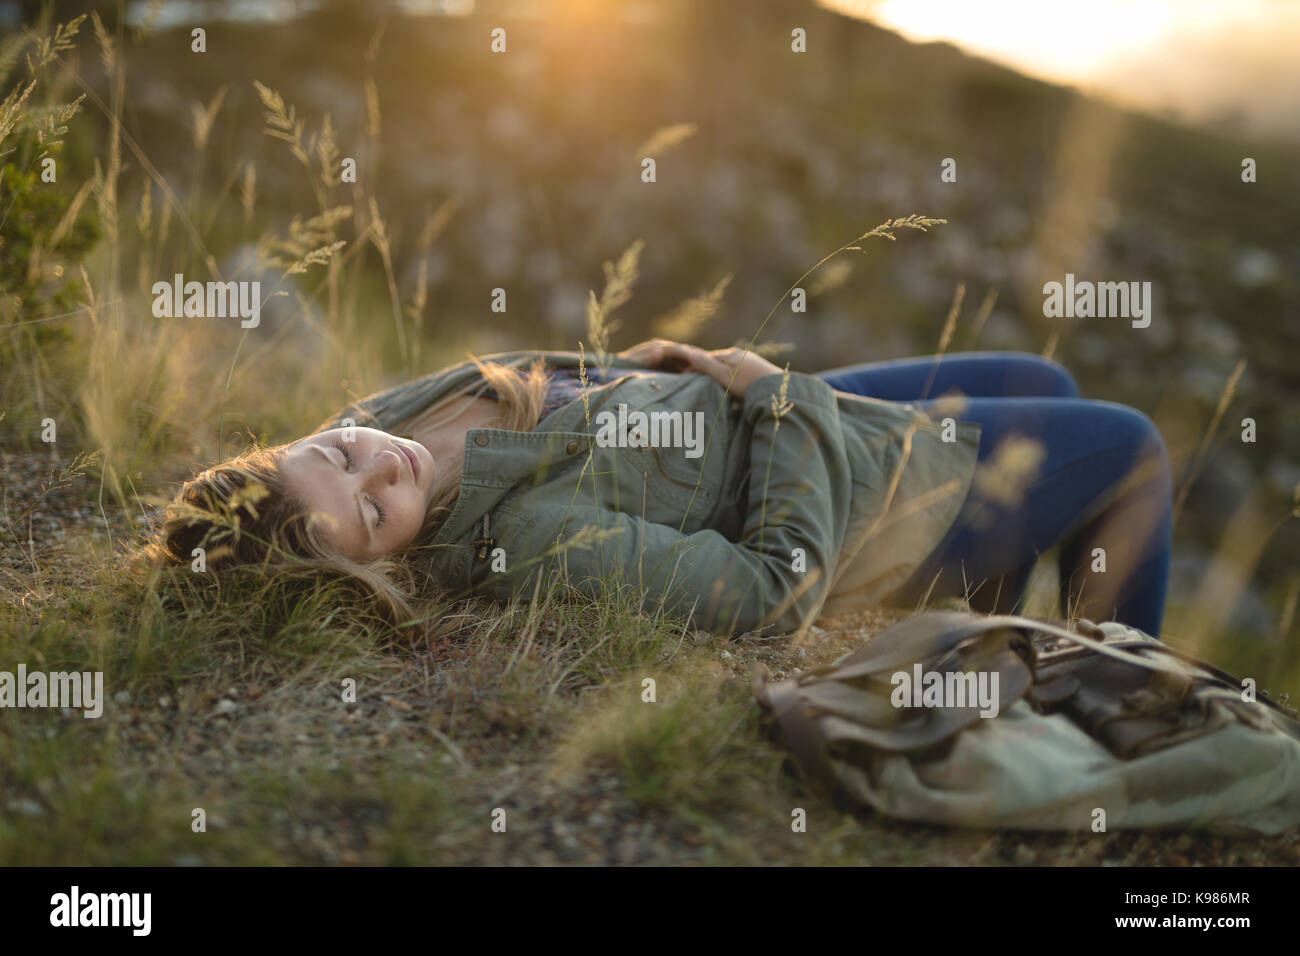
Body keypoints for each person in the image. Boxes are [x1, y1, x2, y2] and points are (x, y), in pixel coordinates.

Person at [147, 341, 1171, 636]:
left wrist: (620, 366)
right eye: (372, 511)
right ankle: (1122, 700)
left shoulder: (390, 411)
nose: (383, 465)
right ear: (375, 566)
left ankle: (1000, 651)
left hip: (734, 408)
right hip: (839, 486)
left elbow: (536, 382)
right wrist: (777, 398)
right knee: (1129, 451)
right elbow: (774, 587)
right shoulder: (531, 538)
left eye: (339, 450)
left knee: (1045, 384)